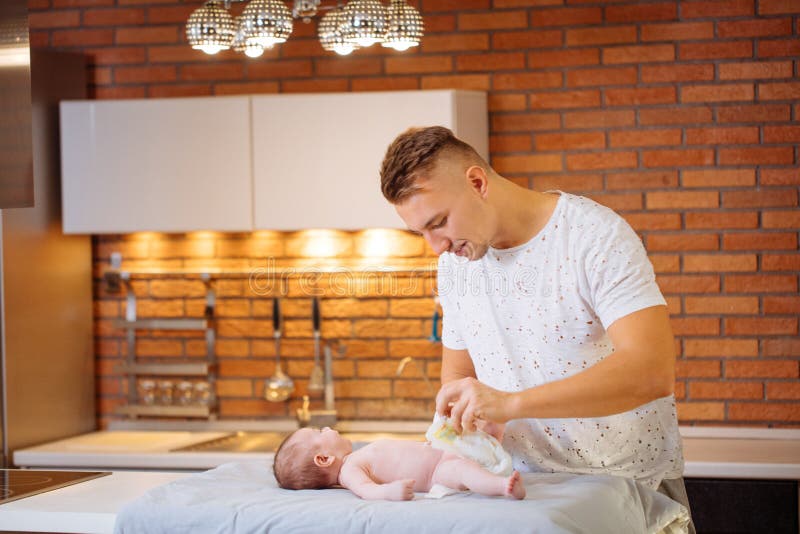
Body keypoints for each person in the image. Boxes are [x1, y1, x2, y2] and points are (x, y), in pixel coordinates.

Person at [379, 126, 694, 532]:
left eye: (438, 222)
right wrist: (469, 421)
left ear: (477, 182)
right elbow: (459, 375)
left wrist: (511, 404)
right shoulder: (455, 266)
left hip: (629, 490)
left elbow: (650, 371)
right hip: (525, 499)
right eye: (420, 231)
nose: (435, 245)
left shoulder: (593, 236)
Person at [272, 426, 526, 500]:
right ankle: (503, 486)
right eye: (320, 432)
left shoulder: (354, 458)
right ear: (324, 459)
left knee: (476, 438)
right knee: (465, 471)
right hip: (437, 471)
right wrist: (389, 492)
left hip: (437, 453)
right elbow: (367, 491)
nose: (328, 427)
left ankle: (496, 466)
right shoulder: (350, 472)